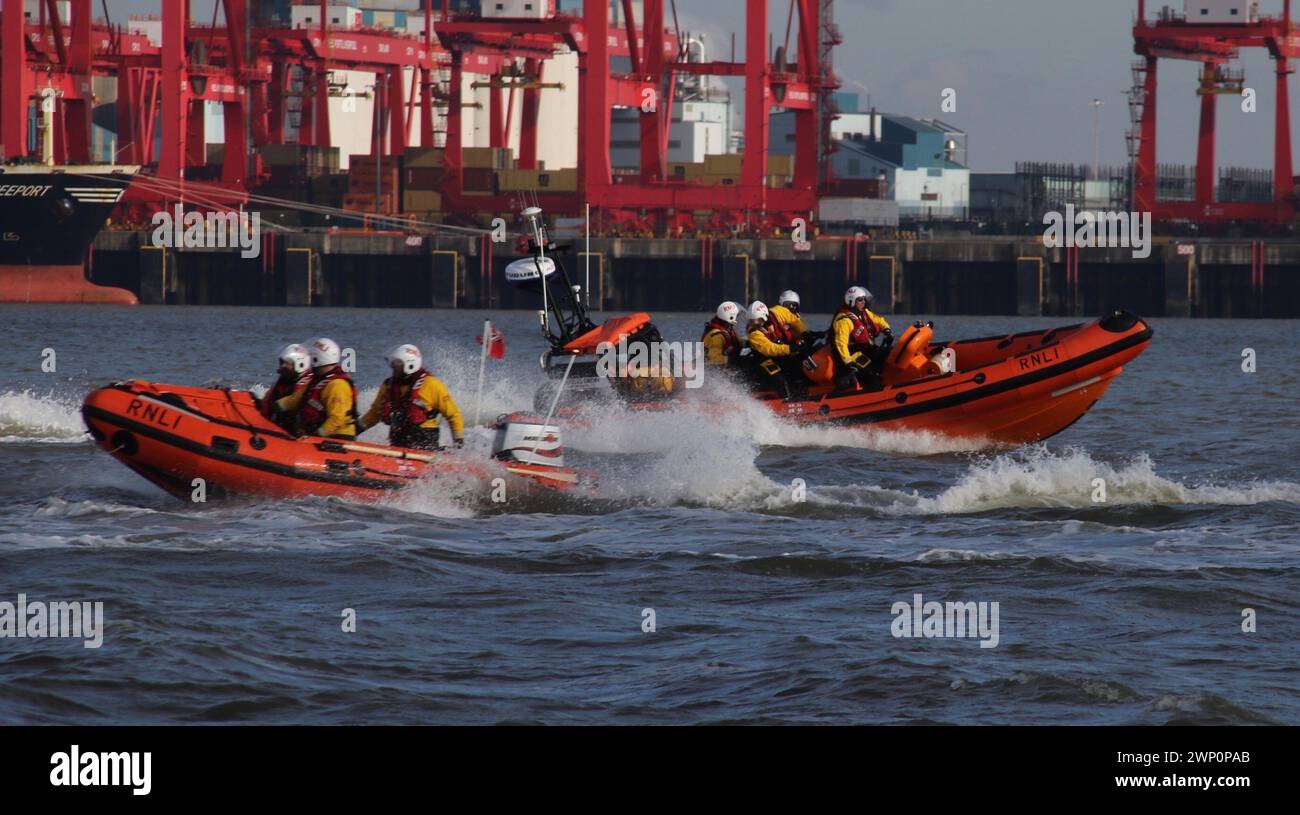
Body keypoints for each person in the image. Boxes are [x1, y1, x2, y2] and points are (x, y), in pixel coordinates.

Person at [357, 344, 464, 450]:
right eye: (393, 363)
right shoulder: (388, 386)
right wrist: (354, 430)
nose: (393, 366)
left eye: (398, 363)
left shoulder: (432, 385)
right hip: (398, 441)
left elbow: (453, 415)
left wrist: (458, 442)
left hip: (425, 441)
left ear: (410, 365)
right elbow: (374, 414)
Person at [275, 337, 359, 439]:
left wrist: (316, 436)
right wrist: (277, 405)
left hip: (337, 437)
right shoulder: (318, 380)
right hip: (318, 435)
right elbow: (298, 398)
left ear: (317, 359)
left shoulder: (337, 385)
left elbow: (337, 419)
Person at [829, 286, 893, 391]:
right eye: (860, 300)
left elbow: (878, 320)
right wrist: (848, 361)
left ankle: (890, 379)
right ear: (851, 301)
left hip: (864, 348)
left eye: (864, 299)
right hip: (851, 353)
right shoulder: (844, 320)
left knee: (886, 353)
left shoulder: (864, 313)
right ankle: (874, 390)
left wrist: (886, 329)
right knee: (870, 371)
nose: (863, 302)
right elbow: (841, 343)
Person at [744, 300, 809, 399]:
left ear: (765, 316)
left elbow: (794, 320)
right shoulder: (753, 332)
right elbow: (769, 348)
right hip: (763, 358)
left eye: (757, 320)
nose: (754, 323)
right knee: (779, 378)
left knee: (798, 367)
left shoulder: (777, 313)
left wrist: (804, 333)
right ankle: (785, 401)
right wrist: (790, 348)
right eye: (751, 321)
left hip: (780, 353)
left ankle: (802, 392)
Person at [259, 344, 312, 431]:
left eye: (286, 363)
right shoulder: (285, 379)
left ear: (300, 364)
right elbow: (268, 400)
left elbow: (293, 408)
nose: (282, 366)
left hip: (293, 429)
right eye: (281, 363)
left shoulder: (306, 383)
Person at [701, 301, 742, 366]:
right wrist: (733, 360)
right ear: (731, 317)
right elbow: (714, 359)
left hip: (726, 365)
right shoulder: (716, 335)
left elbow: (739, 342)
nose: (737, 318)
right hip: (716, 368)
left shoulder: (728, 330)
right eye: (736, 316)